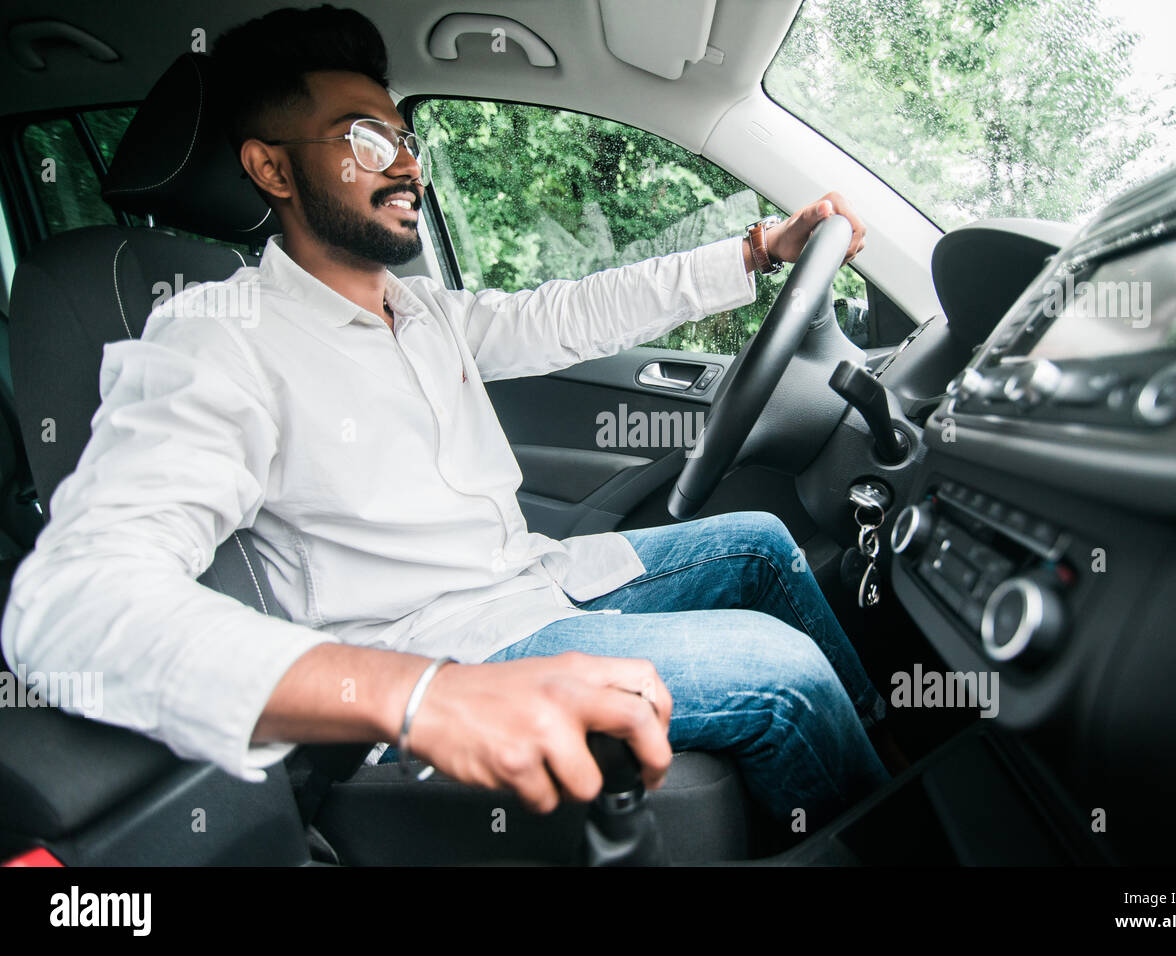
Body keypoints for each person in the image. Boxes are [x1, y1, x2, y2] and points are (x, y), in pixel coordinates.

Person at [1, 4, 889, 834]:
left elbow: (570, 313)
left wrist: (753, 251)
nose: (407, 164)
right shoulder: (213, 337)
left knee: (763, 544)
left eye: (404, 137)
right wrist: (418, 696)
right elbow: (72, 605)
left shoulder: (420, 311)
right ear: (271, 167)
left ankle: (883, 763)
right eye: (365, 138)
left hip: (528, 584)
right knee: (782, 674)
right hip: (435, 645)